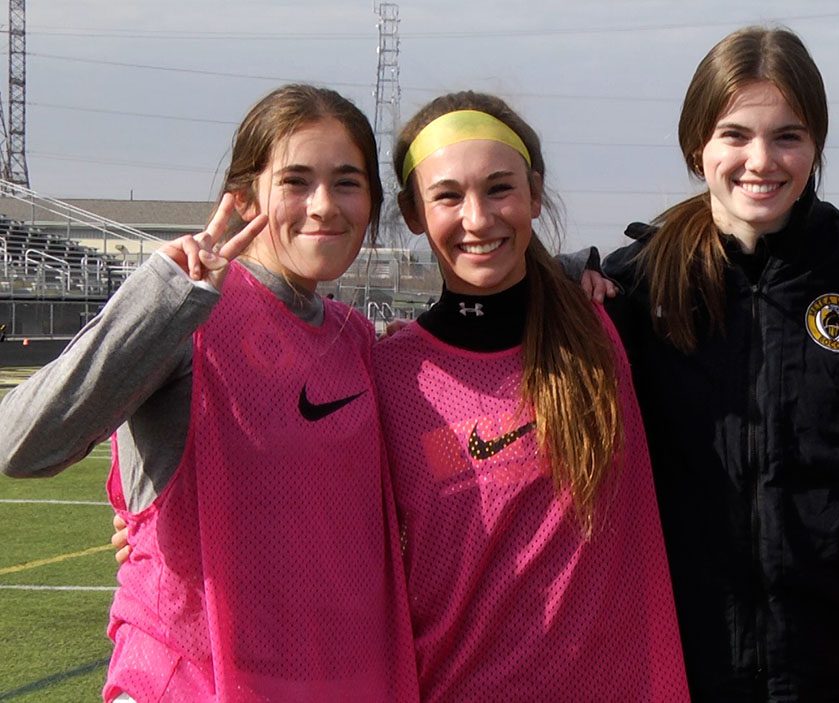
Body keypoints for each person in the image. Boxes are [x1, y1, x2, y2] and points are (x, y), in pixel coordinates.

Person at [0, 84, 417, 702]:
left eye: (347, 182)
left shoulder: (358, 340)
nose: (324, 205)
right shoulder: (187, 309)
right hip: (189, 682)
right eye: (296, 181)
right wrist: (164, 293)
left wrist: (579, 277)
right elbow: (21, 446)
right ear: (246, 197)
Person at [600, 27, 839, 701]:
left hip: (834, 662)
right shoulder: (636, 284)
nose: (761, 160)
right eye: (735, 134)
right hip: (683, 659)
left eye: (788, 136)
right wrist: (563, 279)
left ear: (816, 147)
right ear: (698, 145)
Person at [374, 91, 689, 701]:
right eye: (447, 195)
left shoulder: (610, 326)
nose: (477, 217)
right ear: (414, 213)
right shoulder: (387, 375)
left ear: (535, 194)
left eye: (499, 188)